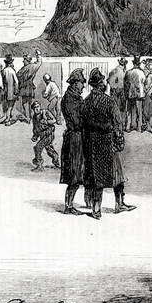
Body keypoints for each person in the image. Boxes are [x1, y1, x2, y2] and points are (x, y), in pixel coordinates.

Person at [81, 68, 135, 219]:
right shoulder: (109, 101)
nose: (105, 84)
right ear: (100, 84)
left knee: (96, 175)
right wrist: (120, 141)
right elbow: (117, 124)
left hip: (92, 143)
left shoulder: (86, 102)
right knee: (117, 173)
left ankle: (96, 209)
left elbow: (83, 124)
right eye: (103, 81)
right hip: (108, 142)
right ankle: (119, 204)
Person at [59, 69, 87, 215]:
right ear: (75, 83)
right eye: (82, 83)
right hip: (75, 139)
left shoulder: (75, 97)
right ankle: (68, 206)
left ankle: (69, 205)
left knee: (78, 172)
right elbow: (77, 121)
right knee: (74, 173)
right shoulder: (70, 99)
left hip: (77, 137)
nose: (83, 87)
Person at [29, 101, 59, 172]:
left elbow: (54, 120)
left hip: (48, 135)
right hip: (42, 136)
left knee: (38, 147)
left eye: (38, 107)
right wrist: (35, 136)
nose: (36, 109)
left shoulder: (45, 113)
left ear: (40, 106)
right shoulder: (34, 117)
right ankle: (56, 162)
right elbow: (35, 128)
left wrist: (47, 122)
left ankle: (39, 165)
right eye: (35, 108)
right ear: (33, 109)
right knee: (49, 149)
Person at [16, 51, 42, 124]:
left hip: (26, 87)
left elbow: (39, 63)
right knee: (27, 103)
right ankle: (28, 117)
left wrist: (38, 55)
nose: (23, 61)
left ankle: (28, 118)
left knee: (26, 103)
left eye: (24, 59)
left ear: (27, 60)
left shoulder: (31, 66)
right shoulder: (24, 68)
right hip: (25, 87)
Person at [124, 56, 146, 132]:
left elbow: (126, 84)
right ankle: (139, 128)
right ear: (139, 64)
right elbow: (143, 82)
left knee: (129, 112)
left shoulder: (128, 72)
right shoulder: (142, 72)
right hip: (139, 95)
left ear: (133, 63)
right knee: (139, 112)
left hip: (130, 94)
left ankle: (128, 127)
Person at [108, 58, 128, 130]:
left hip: (120, 91)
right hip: (118, 91)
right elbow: (111, 81)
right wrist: (116, 89)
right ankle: (118, 126)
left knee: (121, 108)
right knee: (118, 108)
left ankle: (120, 125)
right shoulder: (117, 71)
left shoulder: (121, 70)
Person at [0, 57, 20, 125]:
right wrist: (16, 90)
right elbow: (16, 82)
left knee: (7, 106)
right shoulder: (12, 71)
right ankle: (8, 119)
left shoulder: (4, 71)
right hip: (11, 91)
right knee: (10, 106)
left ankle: (8, 118)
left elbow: (2, 82)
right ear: (10, 63)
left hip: (5, 91)